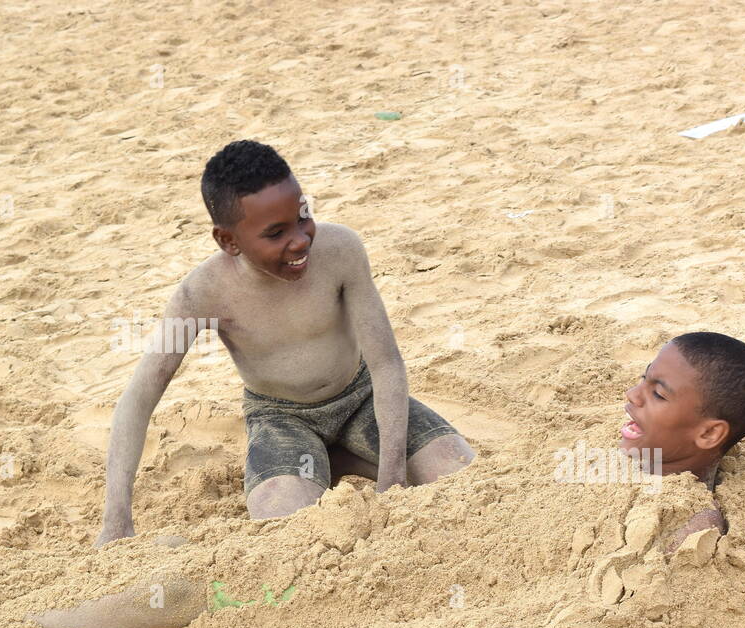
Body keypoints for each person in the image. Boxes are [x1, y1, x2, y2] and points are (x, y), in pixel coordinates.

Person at [95, 139, 473, 547]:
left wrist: (392, 479)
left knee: (459, 473)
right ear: (228, 241)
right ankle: (325, 462)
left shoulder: (341, 250)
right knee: (287, 529)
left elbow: (386, 364)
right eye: (276, 233)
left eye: (302, 216)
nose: (299, 241)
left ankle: (344, 459)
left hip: (362, 398)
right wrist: (116, 521)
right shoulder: (200, 296)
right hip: (282, 419)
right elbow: (139, 398)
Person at [619, 331, 745, 550]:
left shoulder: (691, 527)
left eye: (659, 394)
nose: (632, 394)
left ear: (709, 433)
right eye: (644, 379)